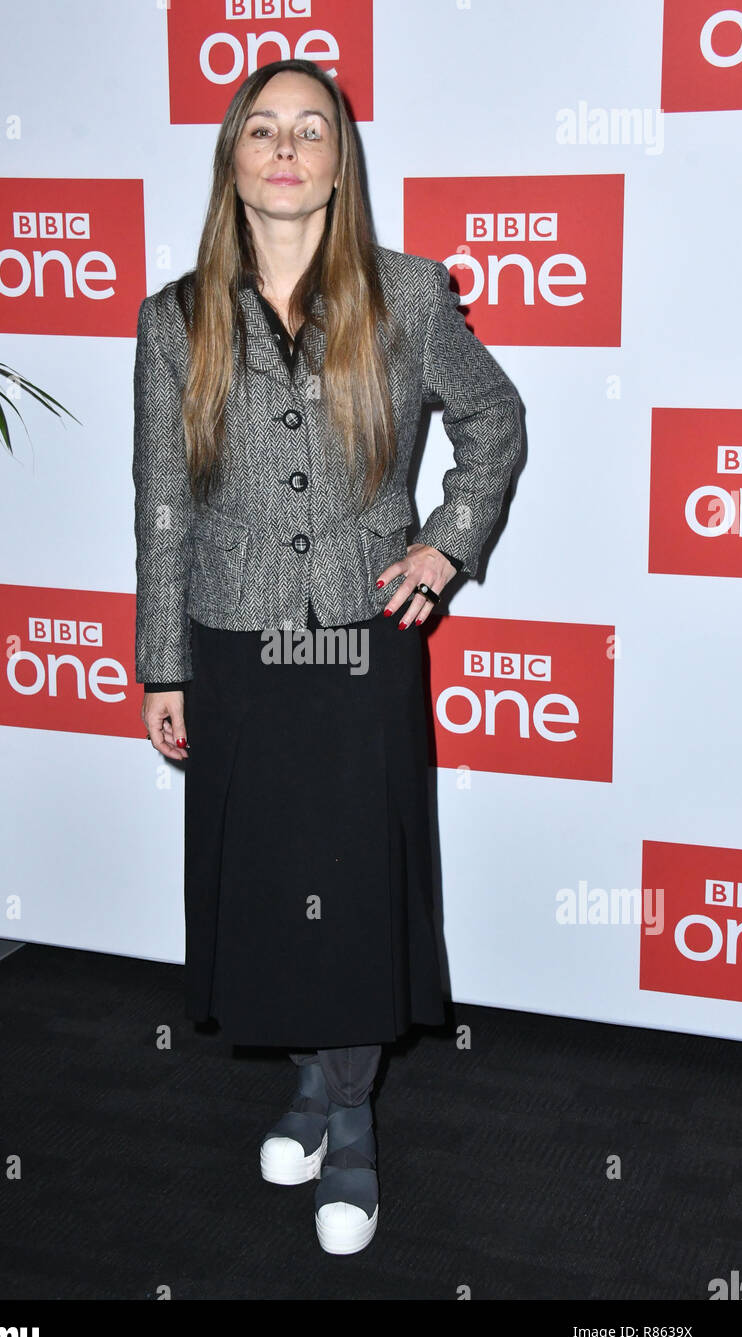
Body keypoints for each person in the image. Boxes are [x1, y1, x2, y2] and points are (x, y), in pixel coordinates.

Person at [132, 57, 522, 1256]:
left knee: (351, 886)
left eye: (311, 128)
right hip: (235, 639)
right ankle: (310, 1080)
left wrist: (443, 547)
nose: (287, 147)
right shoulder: (175, 314)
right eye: (263, 129)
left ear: (338, 159)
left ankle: (346, 1119)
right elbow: (161, 505)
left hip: (361, 643)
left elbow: (493, 420)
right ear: (233, 159)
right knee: (270, 881)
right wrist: (162, 664)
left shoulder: (406, 295)